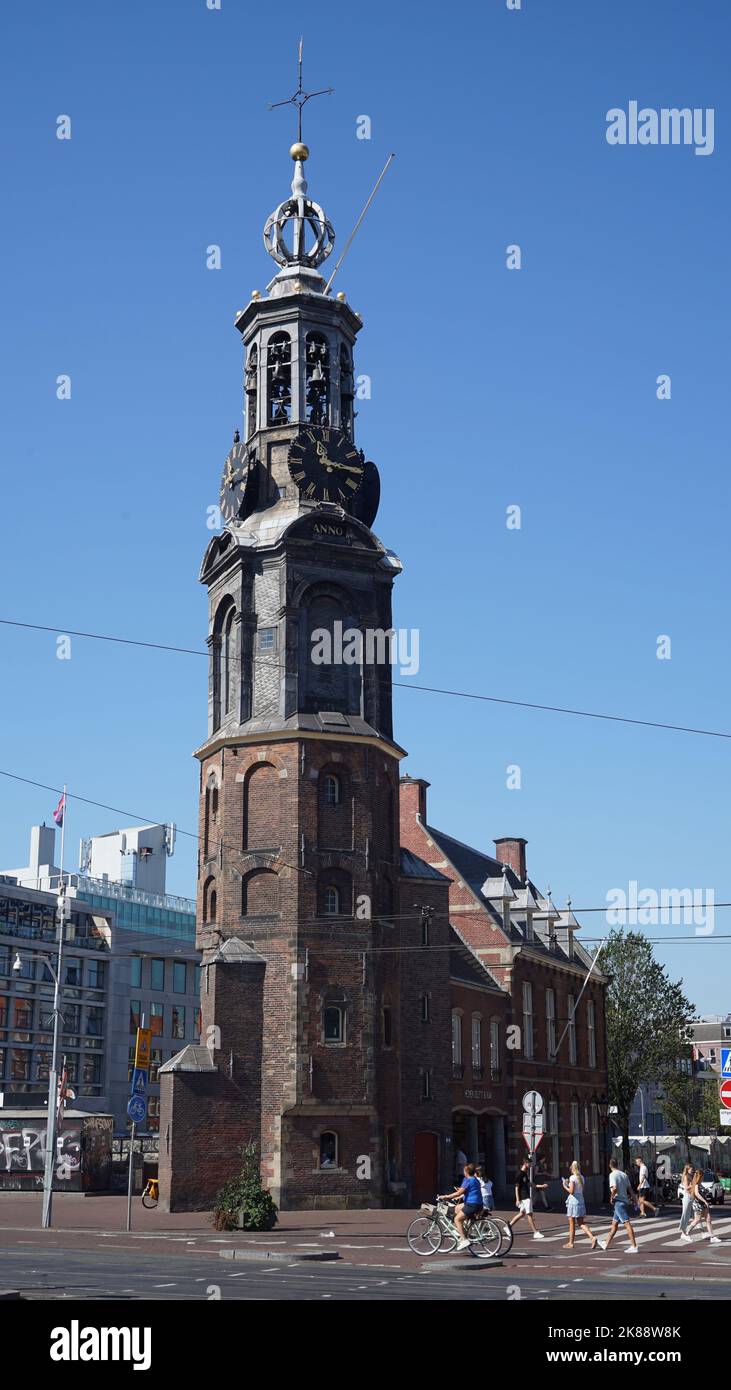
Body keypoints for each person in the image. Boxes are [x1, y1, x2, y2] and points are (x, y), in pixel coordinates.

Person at [438, 1162, 484, 1250]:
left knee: (457, 1219)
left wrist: (446, 1197)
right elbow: (468, 1191)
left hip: (471, 1204)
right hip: (478, 1204)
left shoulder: (467, 1180)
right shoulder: (475, 1180)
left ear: (466, 1171)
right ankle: (462, 1231)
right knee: (456, 1209)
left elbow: (459, 1193)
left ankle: (464, 1240)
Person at [598, 1159, 638, 1253]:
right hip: (625, 1201)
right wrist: (635, 1200)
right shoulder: (624, 1174)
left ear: (609, 1165)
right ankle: (606, 1243)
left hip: (618, 1202)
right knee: (614, 1224)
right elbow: (630, 1189)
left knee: (627, 1223)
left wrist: (611, 1197)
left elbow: (614, 1188)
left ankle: (634, 1246)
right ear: (617, 1164)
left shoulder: (612, 1175)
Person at [562, 1160, 599, 1249]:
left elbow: (571, 1191)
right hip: (581, 1200)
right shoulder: (581, 1177)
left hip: (573, 1201)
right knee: (581, 1222)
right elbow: (580, 1189)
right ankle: (592, 1237)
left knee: (571, 1222)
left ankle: (571, 1243)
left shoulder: (572, 1178)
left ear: (572, 1168)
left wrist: (564, 1185)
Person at [509, 1159, 545, 1239]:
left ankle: (508, 1227)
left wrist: (540, 1186)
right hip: (524, 1197)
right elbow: (516, 1187)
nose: (531, 1166)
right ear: (525, 1163)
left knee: (522, 1214)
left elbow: (530, 1184)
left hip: (525, 1196)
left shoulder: (525, 1173)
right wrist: (517, 1199)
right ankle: (535, 1232)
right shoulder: (519, 1174)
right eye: (530, 1164)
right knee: (530, 1214)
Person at [685, 1168, 721, 1244]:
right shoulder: (696, 1184)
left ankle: (712, 1237)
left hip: (702, 1204)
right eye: (702, 1176)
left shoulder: (698, 1184)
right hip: (699, 1204)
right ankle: (686, 1233)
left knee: (708, 1219)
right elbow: (697, 1194)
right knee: (697, 1220)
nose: (703, 1178)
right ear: (699, 1176)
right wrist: (705, 1201)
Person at [678, 1164, 695, 1241]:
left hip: (691, 1196)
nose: (692, 1170)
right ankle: (683, 1233)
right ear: (687, 1170)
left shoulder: (691, 1176)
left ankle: (685, 1233)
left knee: (692, 1215)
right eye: (691, 1169)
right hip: (687, 1196)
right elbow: (686, 1188)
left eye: (693, 1169)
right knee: (685, 1214)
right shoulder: (685, 1177)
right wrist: (693, 1185)